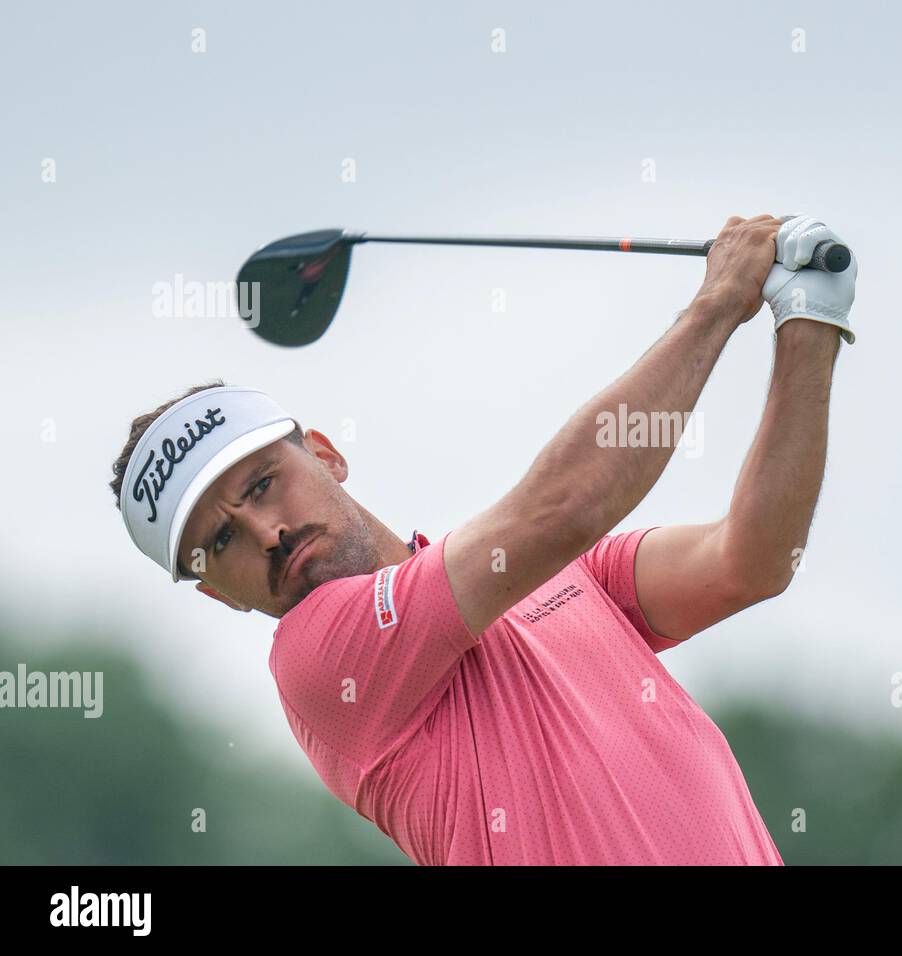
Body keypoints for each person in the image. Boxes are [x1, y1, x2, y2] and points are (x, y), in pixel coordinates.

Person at [108, 213, 857, 864]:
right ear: (216, 594)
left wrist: (809, 320)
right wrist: (718, 303)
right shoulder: (318, 661)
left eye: (264, 483)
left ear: (327, 454)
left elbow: (751, 562)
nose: (266, 533)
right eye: (222, 541)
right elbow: (561, 511)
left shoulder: (550, 573)